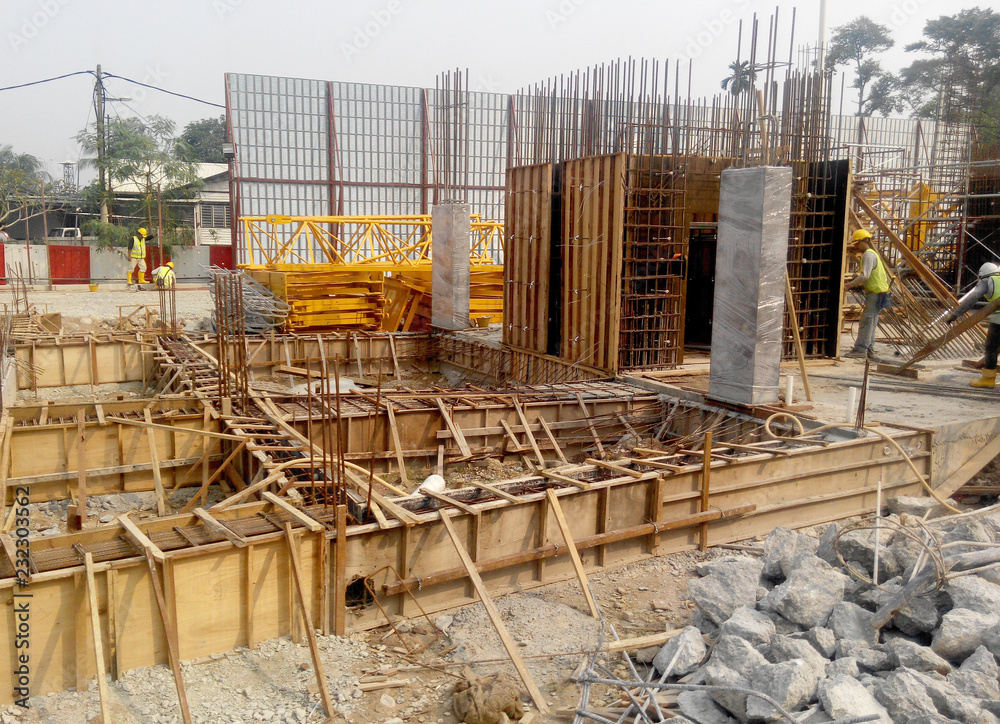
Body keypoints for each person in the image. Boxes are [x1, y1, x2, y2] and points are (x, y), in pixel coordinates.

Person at [945, 261, 1000, 388]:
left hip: (999, 319)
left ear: (982, 276)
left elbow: (972, 298)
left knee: (991, 348)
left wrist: (954, 315)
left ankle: (988, 379)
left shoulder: (987, 280)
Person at [844, 228, 891, 361]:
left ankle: (860, 349)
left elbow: (865, 276)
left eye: (857, 243)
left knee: (866, 322)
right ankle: (869, 349)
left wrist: (849, 285)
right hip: (880, 293)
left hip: (876, 294)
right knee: (871, 322)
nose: (856, 247)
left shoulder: (868, 255)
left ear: (865, 241)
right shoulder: (872, 254)